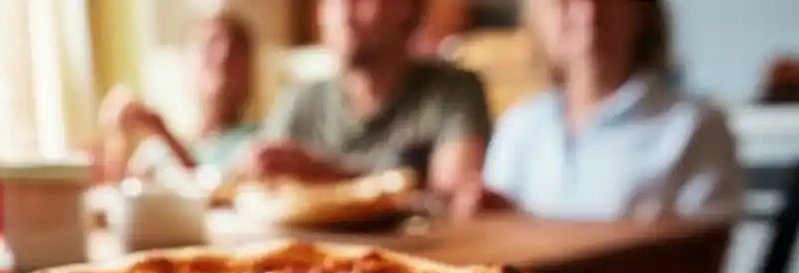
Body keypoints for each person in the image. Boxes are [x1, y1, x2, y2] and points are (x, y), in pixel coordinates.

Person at [478, 0, 743, 221]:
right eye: (566, 1)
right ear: (537, 18)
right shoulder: (518, 125)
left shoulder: (695, 126)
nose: (589, 14)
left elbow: (700, 271)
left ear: (642, 11)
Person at [248, 0, 490, 193]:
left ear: (407, 7)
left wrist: (323, 176)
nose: (343, 11)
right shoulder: (299, 98)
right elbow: (253, 182)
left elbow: (452, 200)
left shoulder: (454, 91)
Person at [98, 12, 258, 182]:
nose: (222, 56)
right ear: (185, 63)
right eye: (209, 47)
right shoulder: (155, 149)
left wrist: (164, 133)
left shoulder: (256, 143)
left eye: (235, 51)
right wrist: (118, 136)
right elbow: (121, 194)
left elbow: (217, 195)